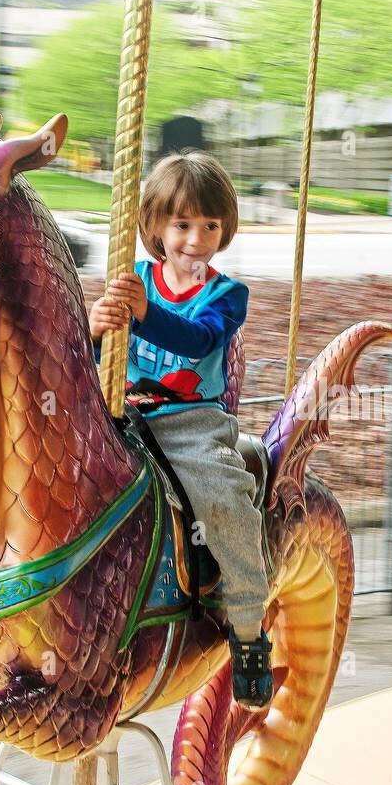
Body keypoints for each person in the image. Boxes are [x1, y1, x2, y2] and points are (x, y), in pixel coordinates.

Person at [89, 151, 273, 710]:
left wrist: (144, 312)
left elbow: (199, 343)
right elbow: (88, 350)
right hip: (122, 412)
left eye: (210, 226)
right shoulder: (133, 276)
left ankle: (247, 627)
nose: (196, 239)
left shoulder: (226, 295)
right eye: (182, 224)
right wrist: (95, 328)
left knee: (225, 501)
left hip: (191, 424)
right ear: (155, 227)